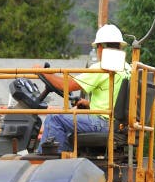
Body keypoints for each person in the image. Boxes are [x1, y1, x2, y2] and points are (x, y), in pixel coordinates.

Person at [38, 24, 130, 153]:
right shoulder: (128, 68)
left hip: (103, 123)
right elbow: (118, 99)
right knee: (66, 120)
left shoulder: (103, 68)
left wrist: (42, 72)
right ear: (120, 46)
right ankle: (68, 158)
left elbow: (66, 85)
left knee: (55, 118)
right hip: (118, 124)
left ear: (100, 47)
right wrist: (89, 104)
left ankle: (50, 164)